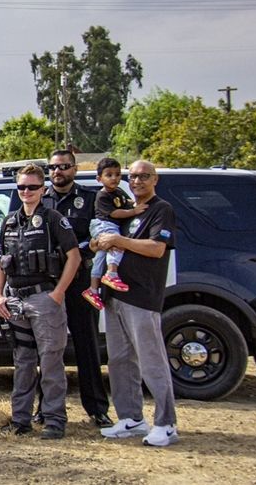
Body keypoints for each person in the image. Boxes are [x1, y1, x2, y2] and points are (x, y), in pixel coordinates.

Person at [92, 161, 179, 447]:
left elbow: (156, 249)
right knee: (119, 360)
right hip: (115, 295)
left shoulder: (159, 209)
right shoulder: (127, 209)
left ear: (155, 179)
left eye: (144, 176)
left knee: (151, 360)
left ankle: (166, 424)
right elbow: (109, 240)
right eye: (133, 176)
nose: (137, 181)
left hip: (142, 296)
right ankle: (131, 418)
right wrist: (100, 242)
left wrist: (119, 240)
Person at [0, 165, 81, 439]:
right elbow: (2, 264)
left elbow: (74, 257)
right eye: (21, 188)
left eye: (32, 187)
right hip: (16, 299)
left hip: (44, 298)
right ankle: (20, 420)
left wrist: (58, 293)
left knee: (51, 361)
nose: (26, 192)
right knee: (23, 361)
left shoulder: (53, 219)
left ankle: (54, 420)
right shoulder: (9, 222)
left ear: (43, 189)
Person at [40, 149, 113, 427]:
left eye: (64, 167)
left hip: (80, 278)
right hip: (46, 278)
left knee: (87, 344)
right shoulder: (39, 197)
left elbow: (99, 235)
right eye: (53, 167)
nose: (58, 172)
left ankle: (97, 408)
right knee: (44, 348)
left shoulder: (91, 199)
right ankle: (44, 407)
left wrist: (78, 249)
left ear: (75, 168)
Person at [82, 157, 142, 309]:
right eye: (109, 175)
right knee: (117, 243)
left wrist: (133, 204)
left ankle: (93, 289)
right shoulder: (102, 195)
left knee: (100, 258)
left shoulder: (119, 191)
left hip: (109, 226)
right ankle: (111, 273)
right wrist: (134, 211)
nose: (114, 178)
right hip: (104, 225)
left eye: (117, 174)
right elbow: (115, 213)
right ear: (99, 179)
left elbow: (126, 202)